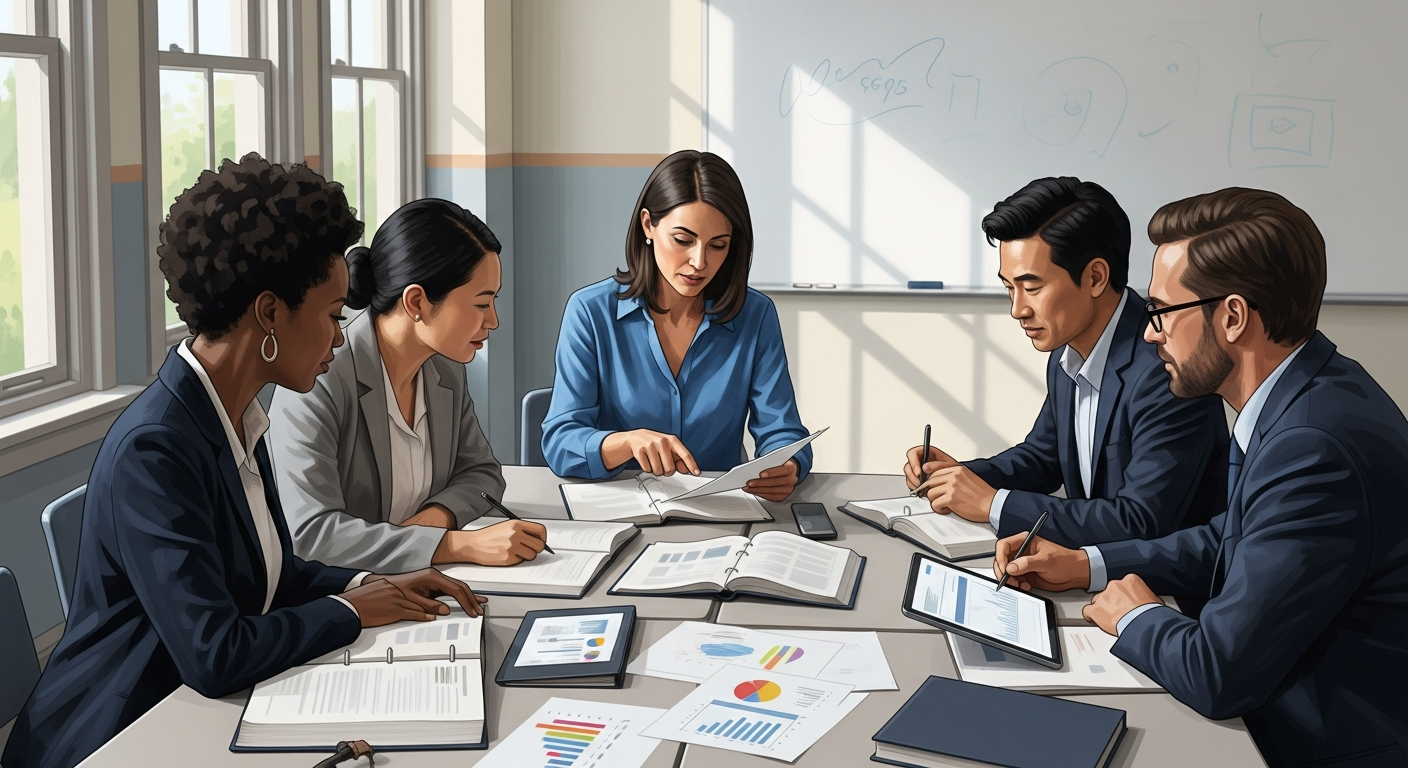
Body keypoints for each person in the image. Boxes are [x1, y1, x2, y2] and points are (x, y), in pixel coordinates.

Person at [0, 155, 487, 768]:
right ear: (269, 314)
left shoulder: (237, 417)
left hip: (193, 710)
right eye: (333, 315)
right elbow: (215, 654)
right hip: (118, 732)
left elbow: (273, 575)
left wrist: (373, 584)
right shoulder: (155, 449)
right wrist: (350, 611)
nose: (342, 338)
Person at [994, 188, 1408, 767]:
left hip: (1314, 743)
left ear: (1233, 317)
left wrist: (1135, 614)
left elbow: (1218, 675)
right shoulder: (1307, 395)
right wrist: (1087, 565)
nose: (1148, 333)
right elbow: (1230, 538)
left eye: (1162, 312)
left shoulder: (1314, 448)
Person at [904, 177, 1228, 547]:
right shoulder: (1067, 347)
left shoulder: (1166, 365)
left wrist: (991, 503)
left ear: (1094, 277)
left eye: (1033, 287)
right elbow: (1044, 459)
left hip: (1165, 590)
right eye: (1010, 288)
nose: (1017, 309)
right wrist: (955, 476)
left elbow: (1139, 520)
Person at [268, 198, 547, 573]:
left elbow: (482, 472)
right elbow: (310, 534)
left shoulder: (446, 367)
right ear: (416, 301)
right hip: (345, 598)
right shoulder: (319, 378)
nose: (493, 321)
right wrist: (453, 545)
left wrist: (435, 519)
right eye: (482, 304)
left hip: (419, 583)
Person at [541, 149, 811, 501]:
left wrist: (787, 465)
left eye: (718, 245)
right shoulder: (590, 312)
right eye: (683, 240)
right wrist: (626, 442)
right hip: (621, 512)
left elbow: (782, 429)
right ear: (648, 225)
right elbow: (561, 442)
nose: (699, 262)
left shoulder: (755, 315)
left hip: (723, 514)